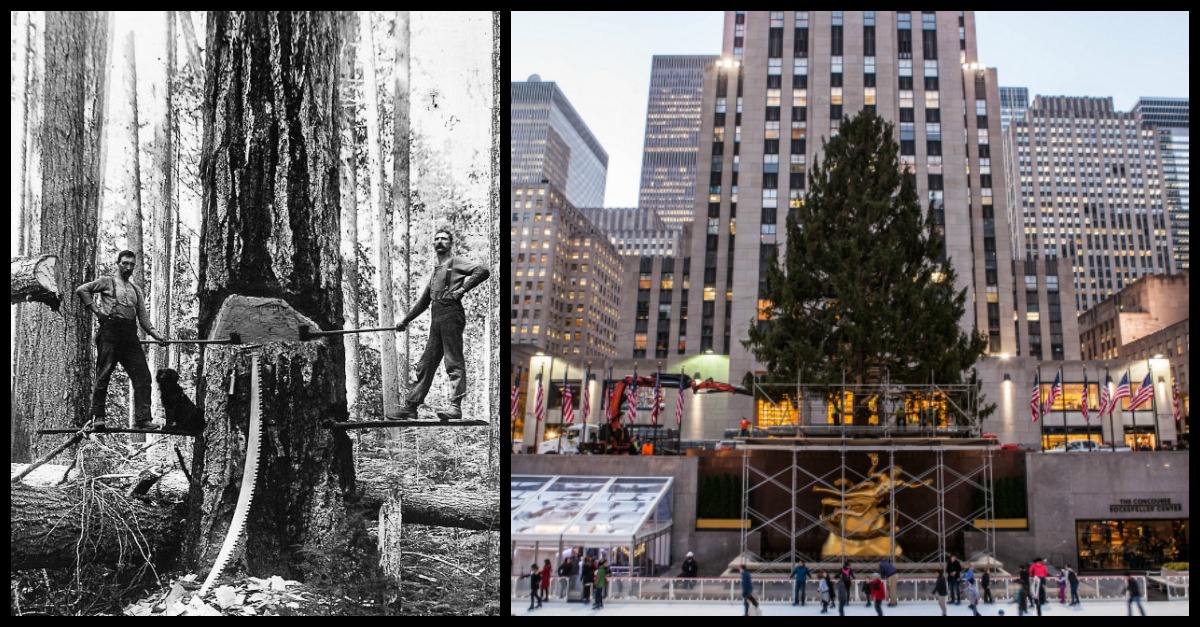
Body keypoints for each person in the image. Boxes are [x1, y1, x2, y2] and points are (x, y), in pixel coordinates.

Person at [390, 225, 490, 421]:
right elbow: (423, 302)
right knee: (426, 364)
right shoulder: (436, 272)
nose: (439, 242)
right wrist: (405, 321)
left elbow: (483, 270)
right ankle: (411, 407)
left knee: (453, 360)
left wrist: (462, 290)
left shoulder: (456, 262)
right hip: (436, 319)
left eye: (444, 239)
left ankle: (455, 407)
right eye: (436, 239)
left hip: (452, 314)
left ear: (451, 244)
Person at [75, 251, 169, 430]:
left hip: (129, 334)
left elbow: (144, 319)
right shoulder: (107, 281)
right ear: (117, 263)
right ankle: (98, 417)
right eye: (125, 263)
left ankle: (143, 419)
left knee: (143, 375)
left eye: (132, 264)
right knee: (104, 374)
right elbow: (82, 290)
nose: (128, 268)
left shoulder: (136, 290)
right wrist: (97, 311)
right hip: (110, 332)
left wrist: (157, 335)